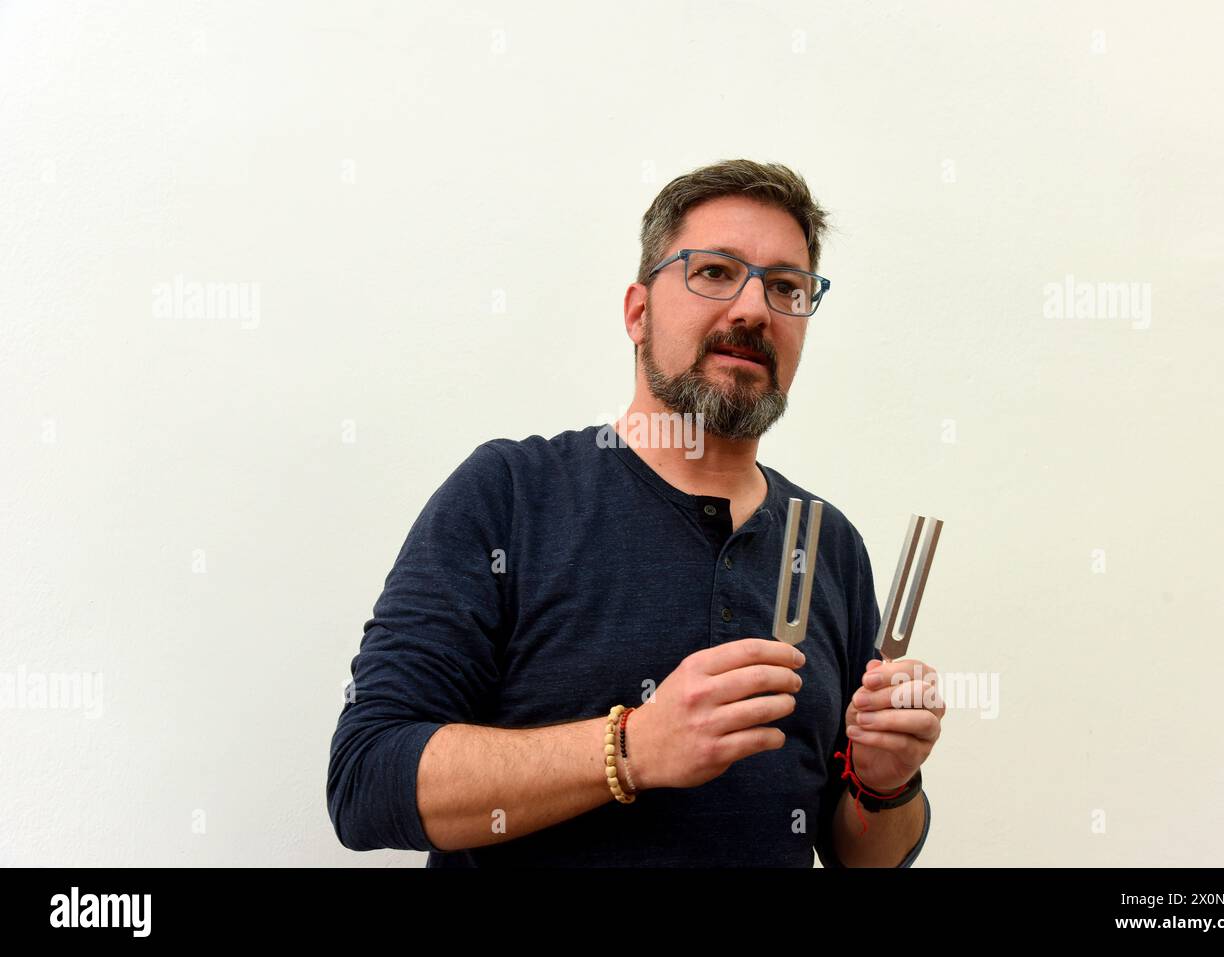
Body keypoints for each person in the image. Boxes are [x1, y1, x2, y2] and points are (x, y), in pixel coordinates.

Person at [327, 159, 945, 867]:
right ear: (637, 312)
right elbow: (366, 781)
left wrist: (883, 784)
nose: (752, 310)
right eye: (714, 271)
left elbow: (861, 857)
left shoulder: (828, 545)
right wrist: (633, 748)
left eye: (785, 287)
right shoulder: (510, 494)